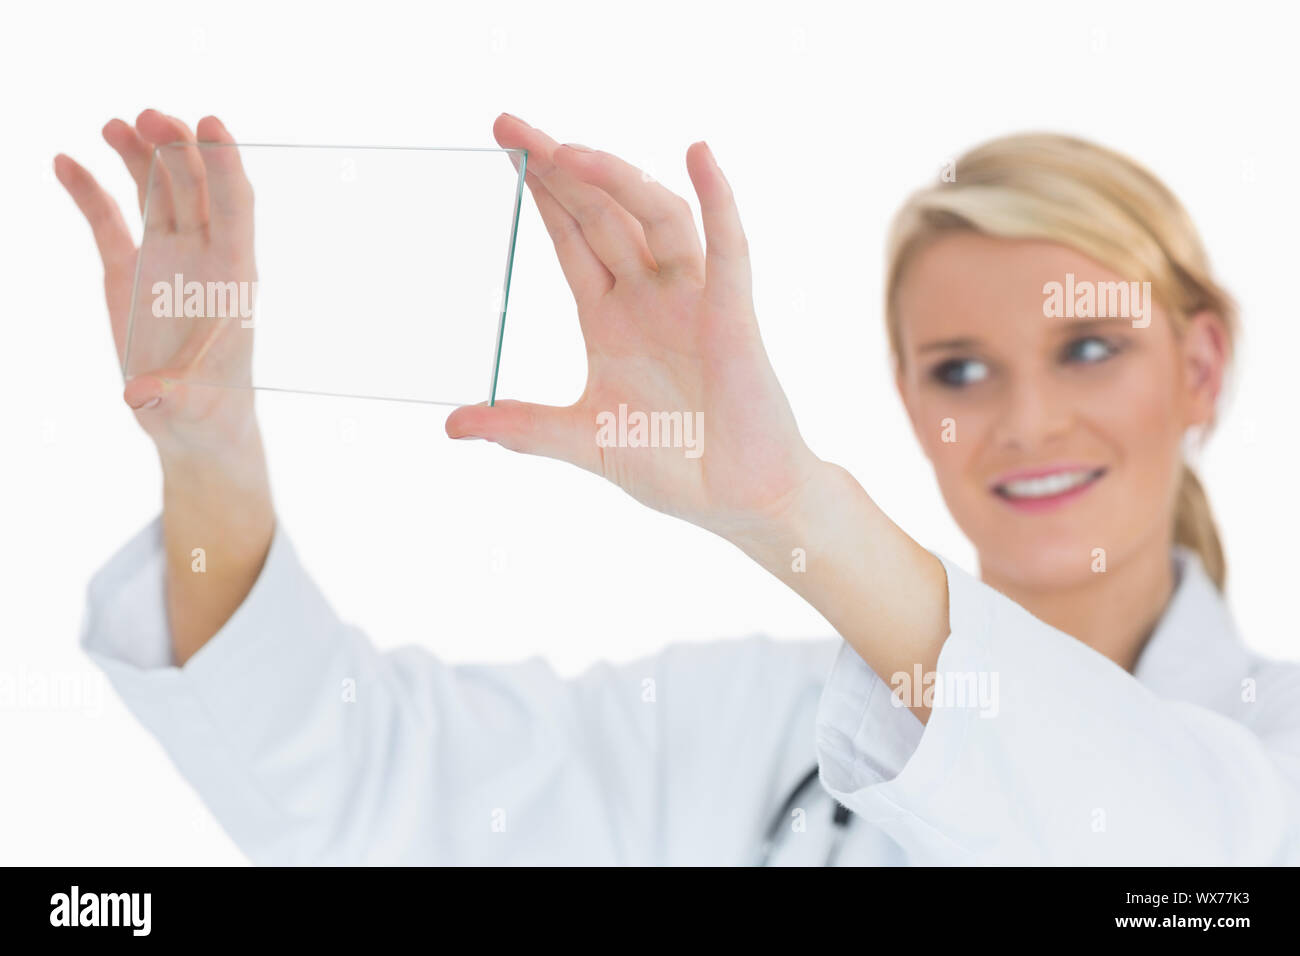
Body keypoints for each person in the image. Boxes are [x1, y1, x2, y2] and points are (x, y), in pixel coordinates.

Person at [56, 110, 1300, 865]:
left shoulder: (1270, 752)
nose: (1026, 420)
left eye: (1090, 347)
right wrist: (209, 459)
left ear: (1197, 367)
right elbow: (353, 785)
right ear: (914, 401)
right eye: (959, 368)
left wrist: (795, 515)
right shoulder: (758, 732)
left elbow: (1152, 846)